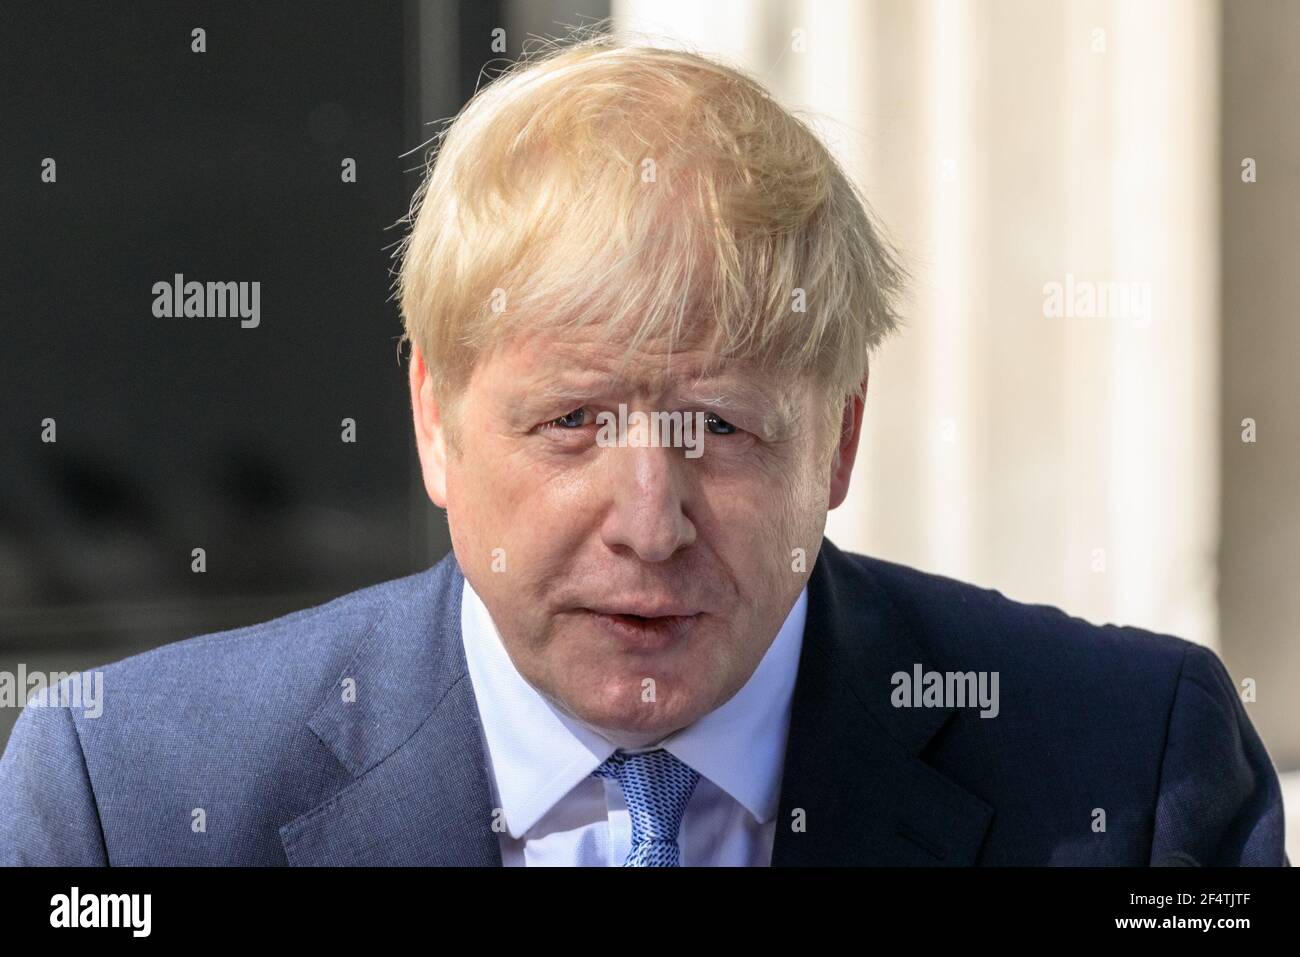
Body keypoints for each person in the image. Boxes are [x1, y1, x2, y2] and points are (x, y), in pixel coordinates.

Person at [0, 36, 1285, 866]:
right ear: (433, 423)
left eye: (721, 428)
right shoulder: (130, 802)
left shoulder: (1135, 774)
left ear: (837, 443)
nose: (648, 519)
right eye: (572, 423)